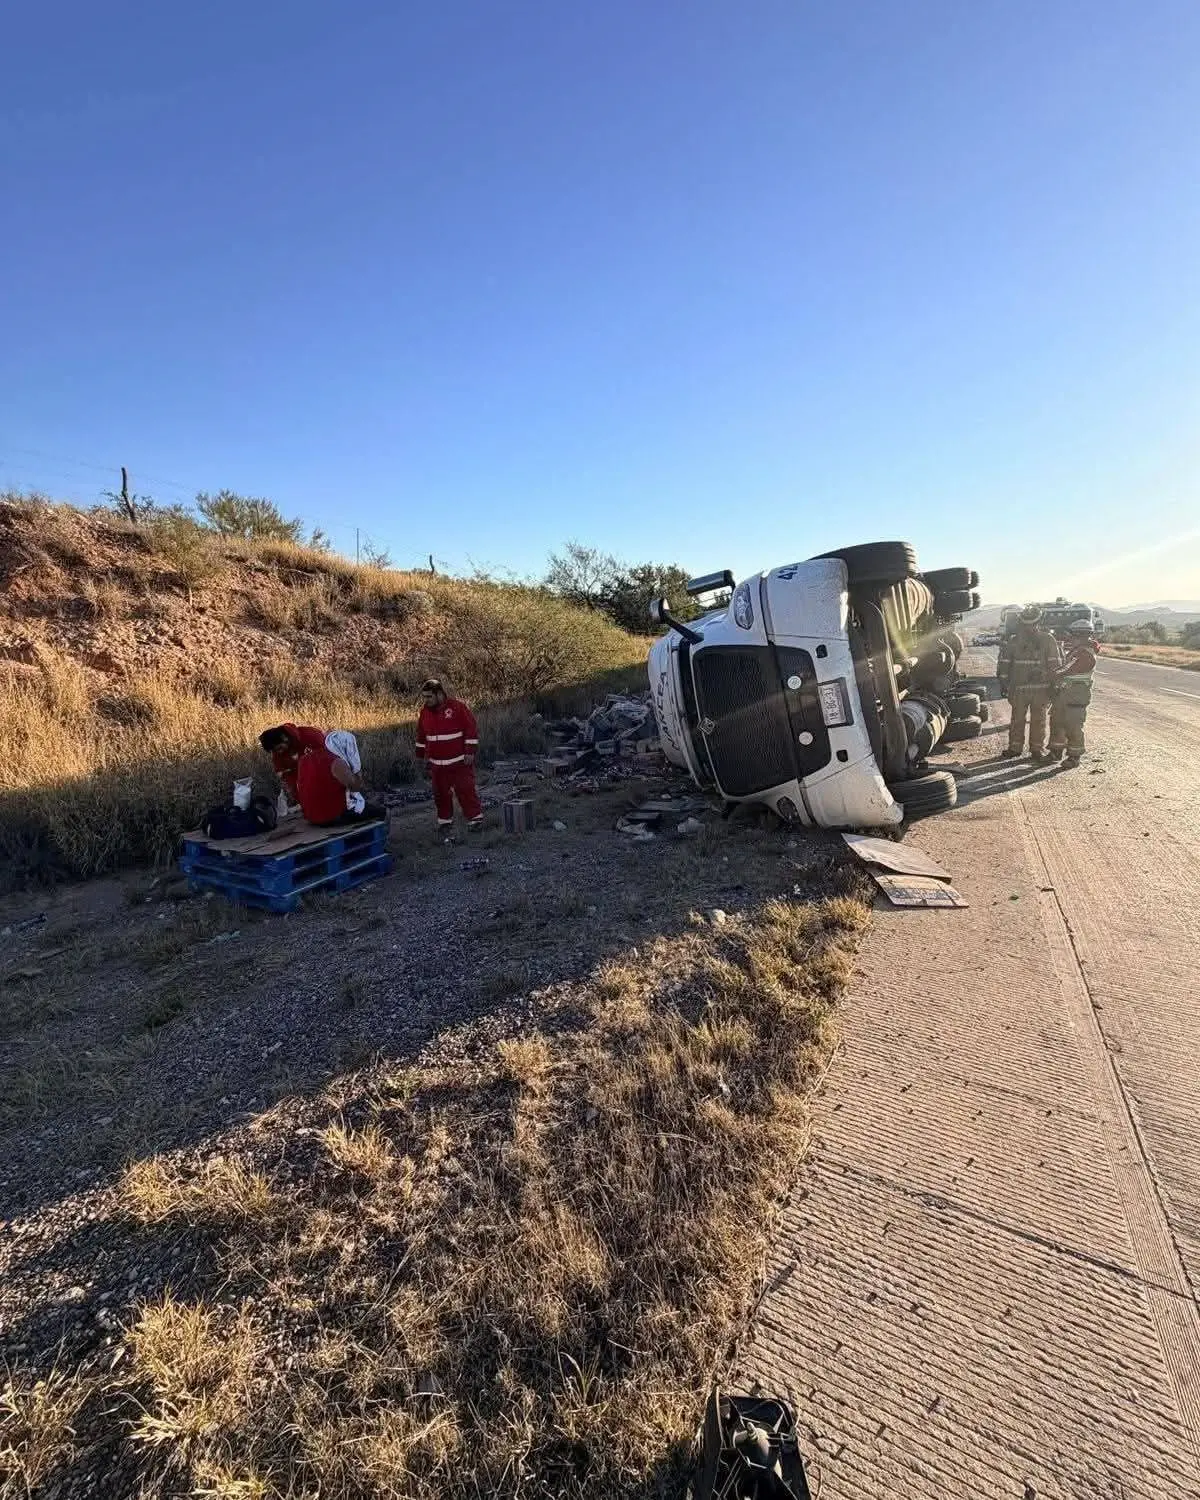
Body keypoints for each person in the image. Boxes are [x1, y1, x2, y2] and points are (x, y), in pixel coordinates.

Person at [258, 724, 386, 827]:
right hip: (332, 811)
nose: (279, 753)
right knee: (375, 809)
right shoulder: (334, 760)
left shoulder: (310, 740)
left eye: (279, 748)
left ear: (285, 738)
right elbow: (354, 786)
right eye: (275, 751)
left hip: (313, 812)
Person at [415, 678, 483, 832]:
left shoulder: (457, 707)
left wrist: (470, 751)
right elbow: (421, 735)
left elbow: (470, 728)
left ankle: (475, 819)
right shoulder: (424, 712)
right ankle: (445, 822)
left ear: (439, 694)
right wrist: (420, 756)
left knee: (465, 790)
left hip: (459, 761)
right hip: (437, 764)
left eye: (429, 697)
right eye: (424, 697)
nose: (426, 700)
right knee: (440, 794)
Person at [997, 604, 1062, 763]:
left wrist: (1055, 684)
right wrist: (1004, 683)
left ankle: (1034, 749)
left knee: (1035, 721)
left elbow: (1055, 664)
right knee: (1021, 720)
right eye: (1027, 625)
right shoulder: (1018, 641)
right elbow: (1004, 664)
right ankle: (1019, 748)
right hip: (1025, 689)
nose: (1029, 628)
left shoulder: (1046, 640)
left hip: (1037, 689)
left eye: (1031, 624)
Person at [1048, 620, 1099, 767]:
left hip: (1076, 695)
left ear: (1080, 635)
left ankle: (1074, 757)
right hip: (1066, 694)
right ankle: (1055, 752)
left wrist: (1048, 675)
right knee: (1057, 722)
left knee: (1073, 726)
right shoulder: (1078, 650)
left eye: (1072, 635)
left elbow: (1066, 670)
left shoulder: (1085, 654)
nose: (1070, 638)